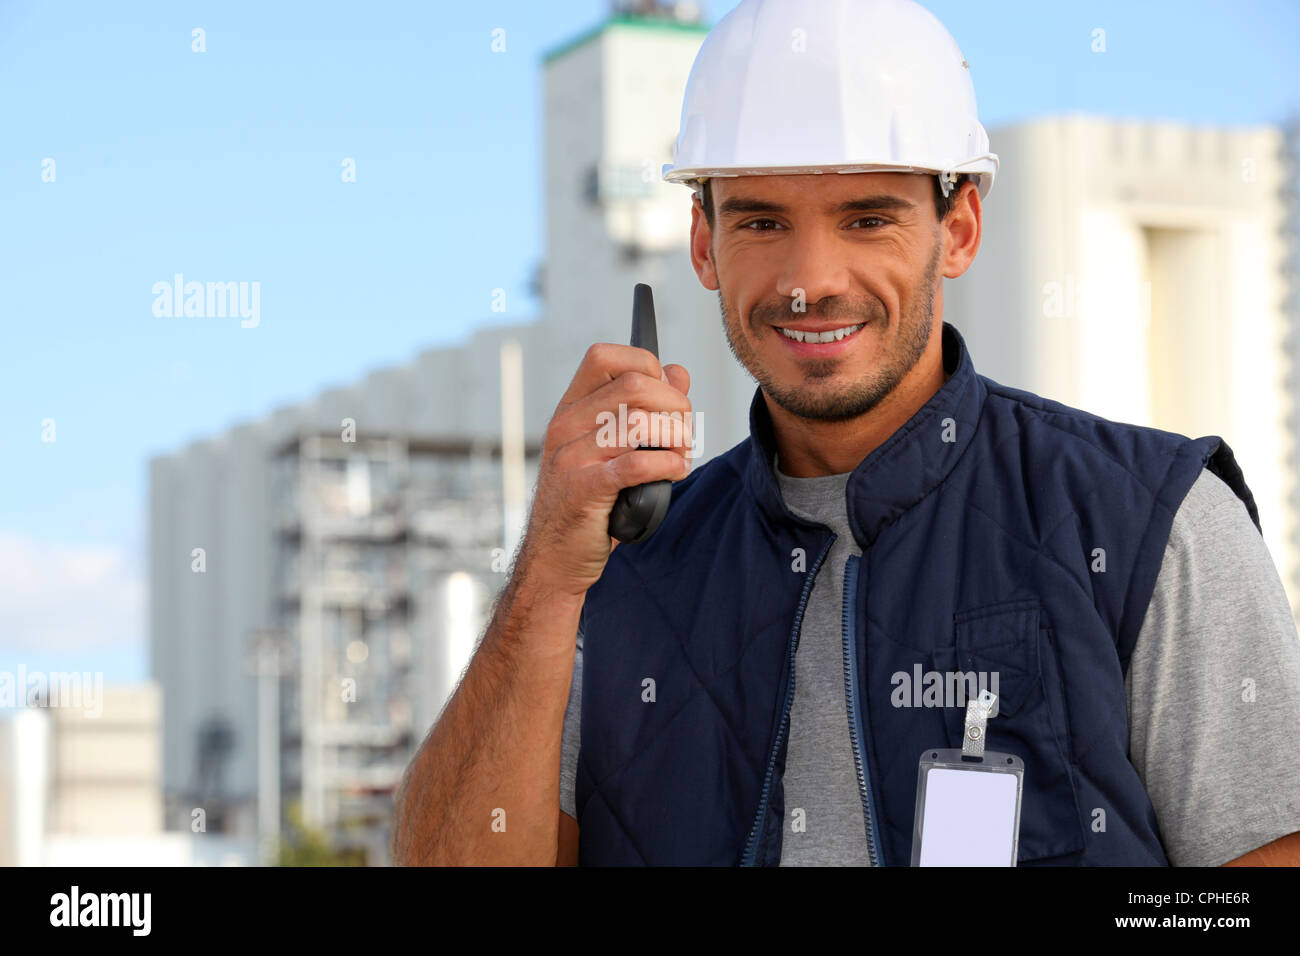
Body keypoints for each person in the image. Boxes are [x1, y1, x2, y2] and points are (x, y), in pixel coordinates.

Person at [391, 0, 1300, 866]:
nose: (811, 279)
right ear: (703, 245)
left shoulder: (1147, 523)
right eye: (762, 221)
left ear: (960, 229)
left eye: (867, 218)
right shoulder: (618, 575)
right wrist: (546, 574)